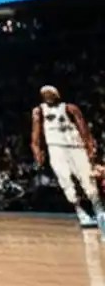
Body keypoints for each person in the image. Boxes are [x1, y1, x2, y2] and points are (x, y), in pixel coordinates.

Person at [31, 85, 105, 233]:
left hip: (76, 146)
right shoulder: (39, 111)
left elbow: (84, 129)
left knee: (87, 180)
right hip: (55, 148)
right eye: (45, 94)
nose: (48, 96)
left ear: (57, 94)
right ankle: (81, 213)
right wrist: (36, 150)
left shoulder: (70, 108)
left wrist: (90, 146)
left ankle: (99, 211)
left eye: (50, 93)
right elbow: (35, 134)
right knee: (65, 181)